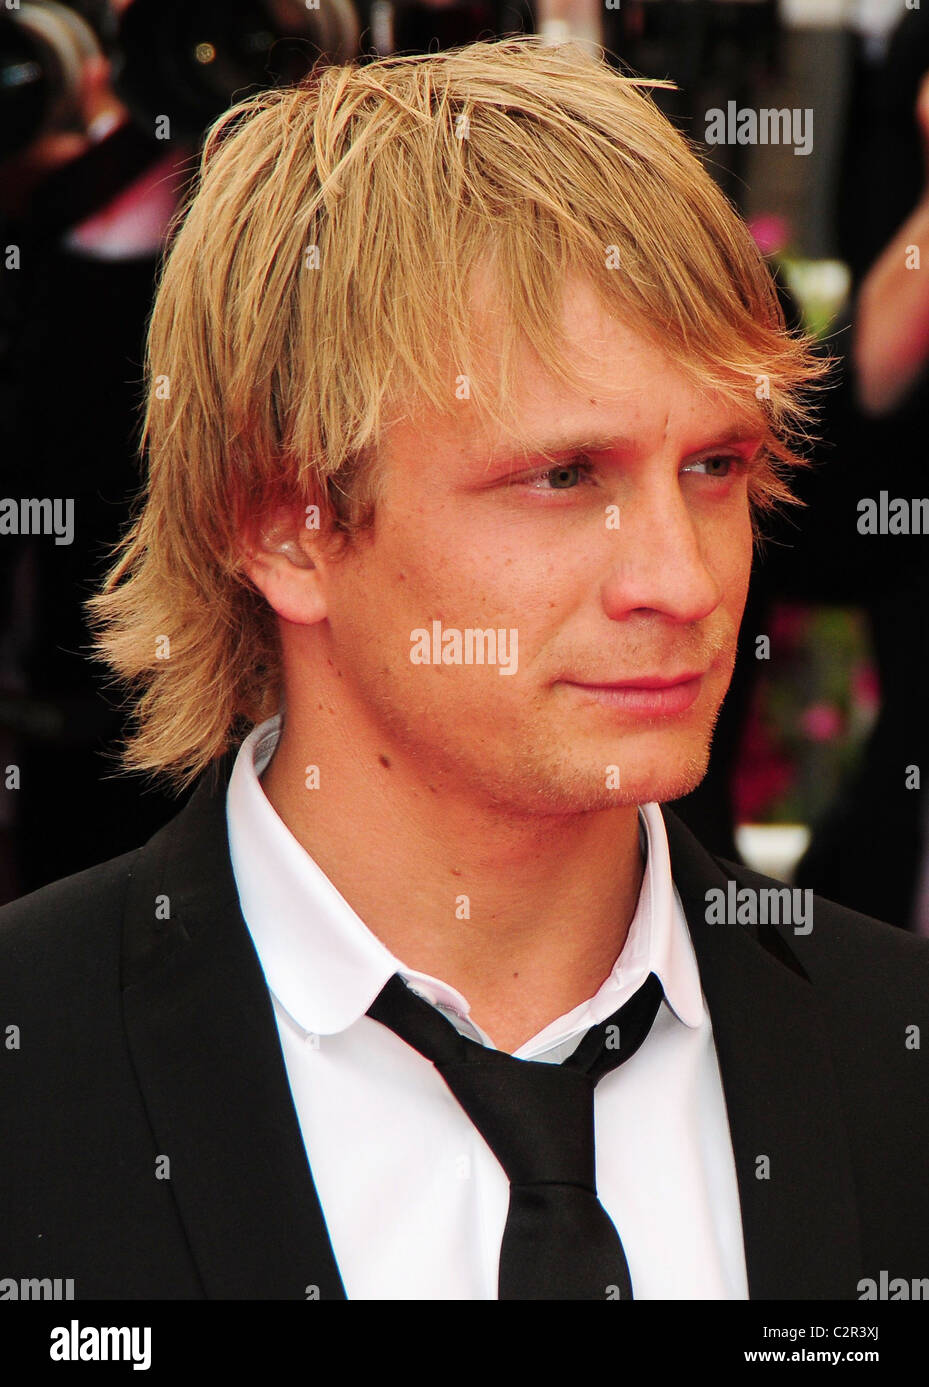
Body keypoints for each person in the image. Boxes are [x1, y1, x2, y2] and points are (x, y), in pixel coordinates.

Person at [0, 36, 926, 1302]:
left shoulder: (892, 1054)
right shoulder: (37, 1067)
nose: (684, 578)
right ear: (286, 526)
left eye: (715, 467)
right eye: (562, 477)